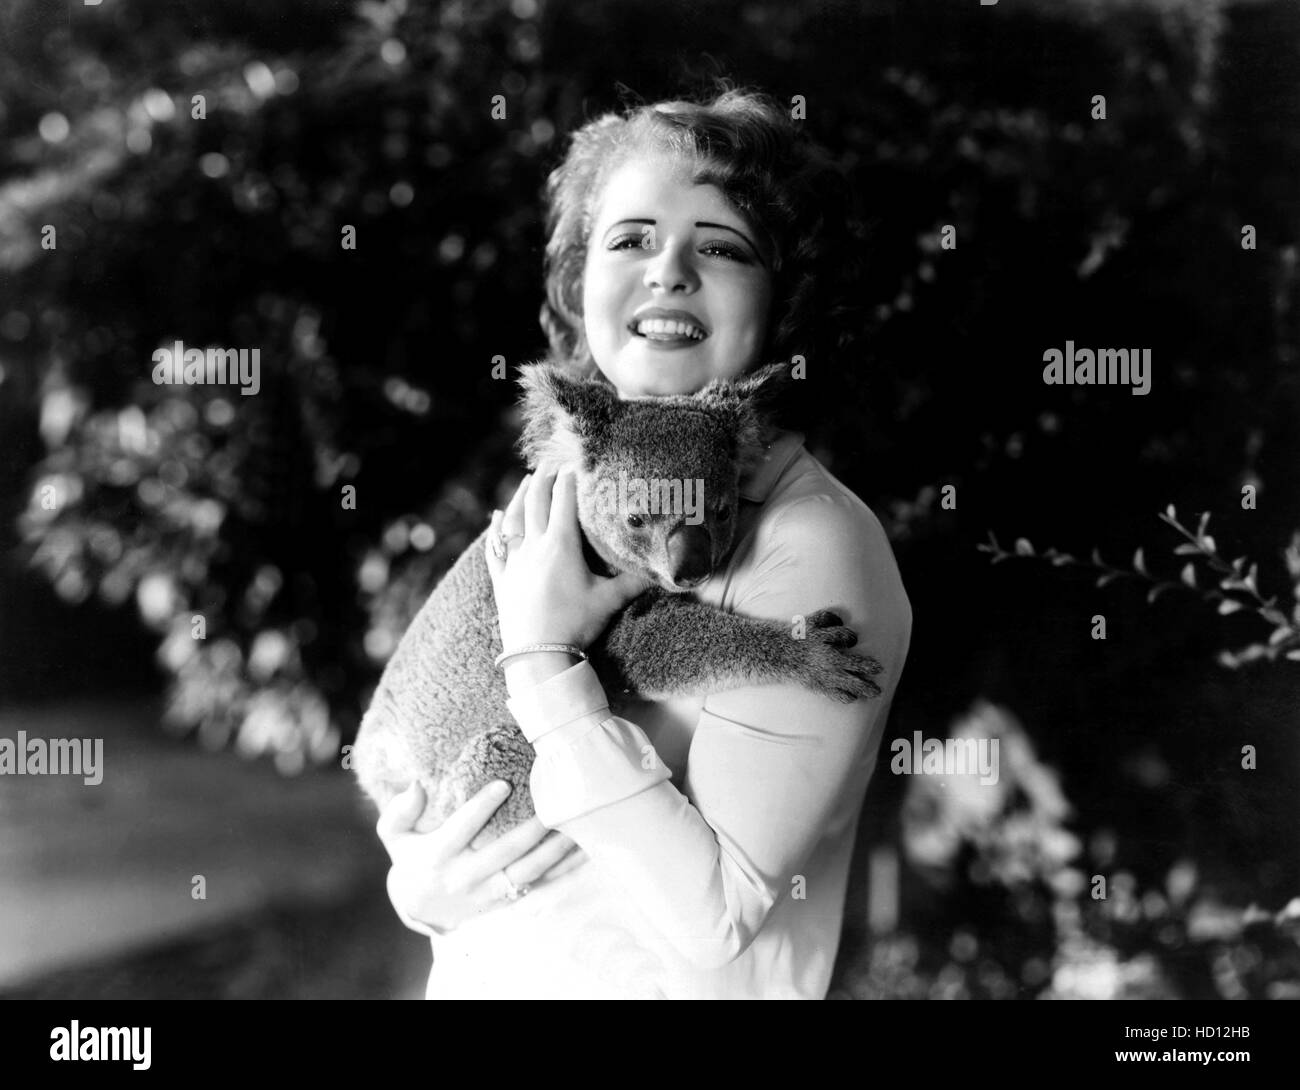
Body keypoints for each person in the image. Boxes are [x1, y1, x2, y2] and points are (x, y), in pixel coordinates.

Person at [375, 86, 912, 999]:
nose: (668, 269)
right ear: (580, 279)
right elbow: (437, 808)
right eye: (629, 238)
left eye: (722, 246)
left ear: (786, 304)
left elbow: (715, 922)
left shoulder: (810, 542)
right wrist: (424, 887)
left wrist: (542, 658)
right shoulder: (574, 485)